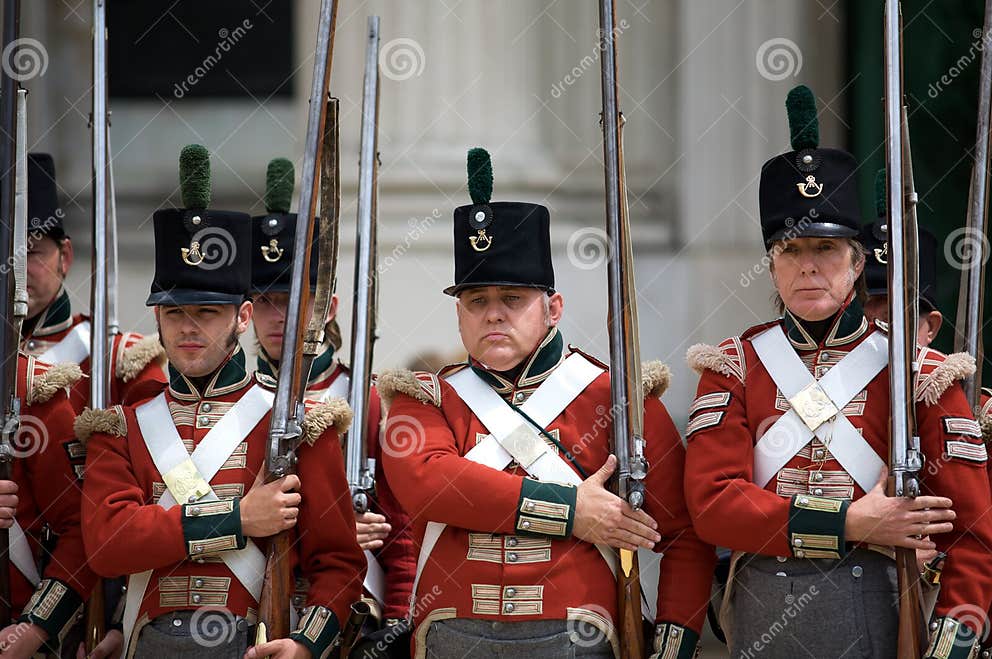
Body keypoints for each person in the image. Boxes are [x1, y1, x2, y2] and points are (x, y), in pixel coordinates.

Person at [684, 85, 992, 658]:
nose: (808, 267)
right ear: (771, 265)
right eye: (791, 250)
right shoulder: (733, 366)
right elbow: (713, 506)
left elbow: (974, 534)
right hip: (763, 611)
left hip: (878, 607)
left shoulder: (919, 375)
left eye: (825, 251)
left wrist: (952, 643)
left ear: (856, 263)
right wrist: (852, 523)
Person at [378, 148, 714, 658]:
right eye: (477, 301)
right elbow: (430, 485)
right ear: (459, 314)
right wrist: (573, 511)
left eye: (512, 299)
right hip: (451, 636)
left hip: (580, 636)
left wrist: (670, 648)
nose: (493, 315)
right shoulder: (426, 397)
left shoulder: (617, 397)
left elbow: (685, 536)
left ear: (552, 308)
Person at [77, 145, 365, 659]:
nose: (188, 327)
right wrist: (236, 518)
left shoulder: (299, 423)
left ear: (242, 316)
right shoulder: (122, 426)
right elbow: (106, 544)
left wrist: (305, 644)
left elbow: (338, 564)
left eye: (208, 312)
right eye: (175, 312)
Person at [249, 158, 415, 638]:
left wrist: (400, 622)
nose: (279, 315)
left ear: (330, 306)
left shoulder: (371, 400)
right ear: (245, 309)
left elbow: (402, 535)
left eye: (297, 299)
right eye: (265, 300)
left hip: (355, 614)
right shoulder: (230, 400)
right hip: (249, 605)